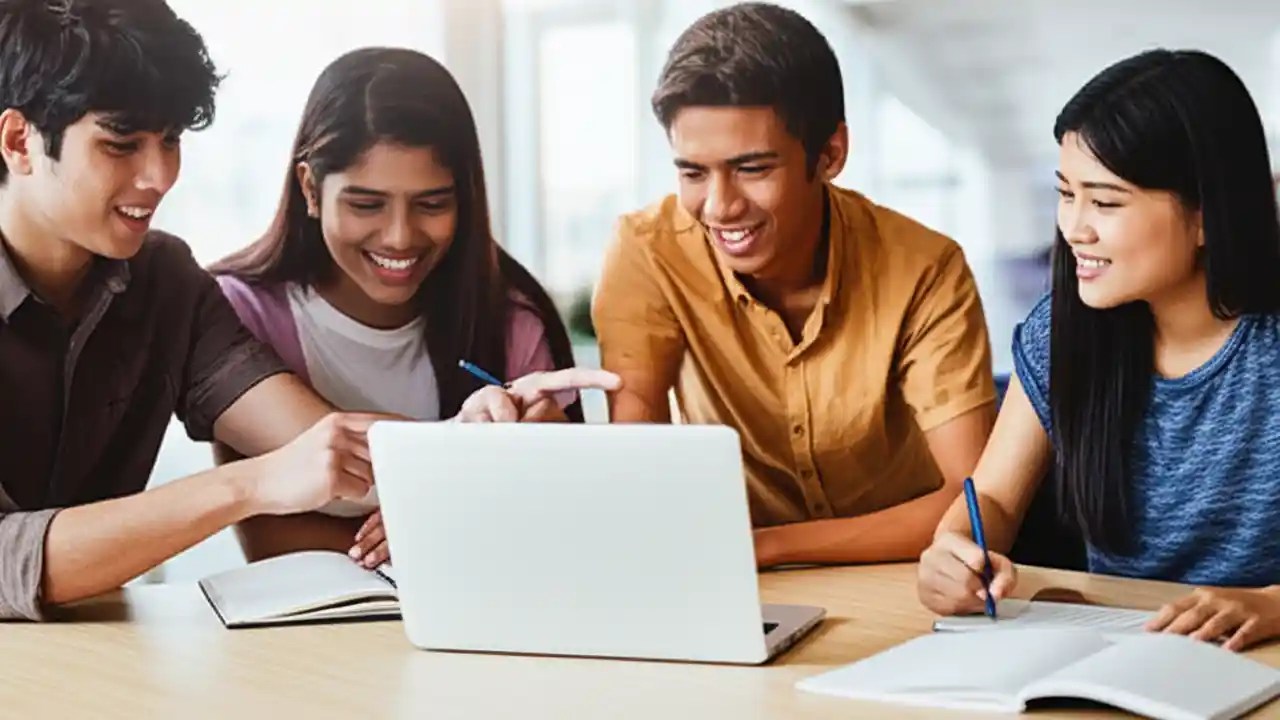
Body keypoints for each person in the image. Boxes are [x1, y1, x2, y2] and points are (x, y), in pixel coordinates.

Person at [0, 0, 381, 621]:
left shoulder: (165, 280)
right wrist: (249, 485)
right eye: (120, 144)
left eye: (171, 140)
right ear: (19, 141)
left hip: (91, 666)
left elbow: (319, 447)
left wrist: (472, 439)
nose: (158, 176)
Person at [590, 2, 996, 568]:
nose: (719, 207)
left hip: (907, 574)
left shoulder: (925, 269)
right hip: (742, 584)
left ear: (830, 154)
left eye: (752, 169)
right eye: (692, 172)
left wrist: (769, 546)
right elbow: (640, 469)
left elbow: (975, 501)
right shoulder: (648, 251)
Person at [916, 49, 1280, 651]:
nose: (1074, 227)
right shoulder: (1063, 332)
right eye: (1066, 193)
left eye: (1105, 202)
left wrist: (1271, 605)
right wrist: (952, 549)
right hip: (1114, 653)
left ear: (1205, 216)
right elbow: (997, 497)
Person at [211, 48, 618, 569]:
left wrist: (550, 472)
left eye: (432, 204)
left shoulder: (510, 318)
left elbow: (555, 530)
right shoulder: (241, 311)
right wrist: (462, 503)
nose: (400, 237)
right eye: (366, 204)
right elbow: (274, 538)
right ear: (310, 188)